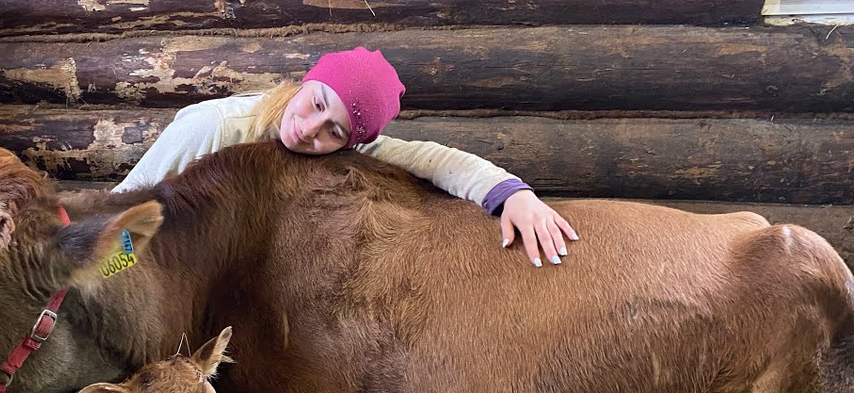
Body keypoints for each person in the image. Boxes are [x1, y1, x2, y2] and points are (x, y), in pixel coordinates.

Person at [113, 47, 577, 268]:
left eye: (333, 130)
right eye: (316, 103)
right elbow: (125, 209)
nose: (309, 130)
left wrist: (514, 196)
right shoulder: (212, 127)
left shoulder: (349, 151)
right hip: (164, 262)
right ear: (306, 81)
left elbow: (437, 160)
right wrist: (116, 269)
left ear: (351, 141)